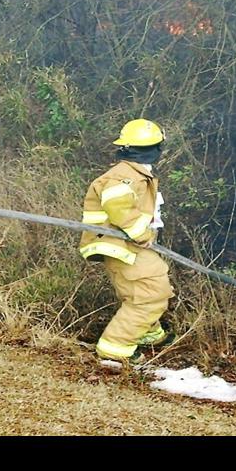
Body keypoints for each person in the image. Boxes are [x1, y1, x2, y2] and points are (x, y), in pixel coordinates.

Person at [78, 119, 174, 364]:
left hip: (124, 246)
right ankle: (115, 349)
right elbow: (118, 206)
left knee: (144, 290)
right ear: (156, 148)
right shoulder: (125, 176)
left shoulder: (135, 173)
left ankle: (148, 333)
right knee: (150, 292)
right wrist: (142, 233)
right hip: (120, 244)